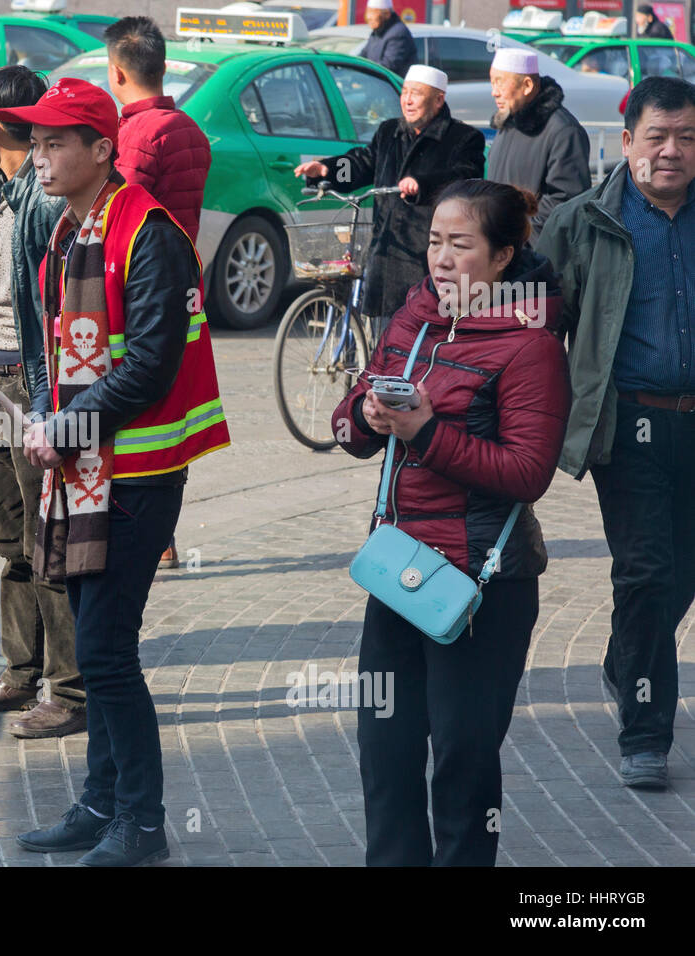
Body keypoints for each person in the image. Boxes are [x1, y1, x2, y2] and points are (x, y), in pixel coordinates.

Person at [0, 78, 230, 866]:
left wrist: (67, 423)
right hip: (87, 470)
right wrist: (42, 406)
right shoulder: (71, 230)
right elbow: (54, 349)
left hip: (137, 476)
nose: (40, 155)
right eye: (34, 142)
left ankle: (144, 823)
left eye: (56, 141)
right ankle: (102, 804)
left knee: (104, 654)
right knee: (98, 648)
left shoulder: (148, 233)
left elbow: (153, 371)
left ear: (103, 150)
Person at [333, 179, 571, 866]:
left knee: (464, 767)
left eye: (460, 244)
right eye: (435, 241)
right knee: (386, 754)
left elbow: (529, 472)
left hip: (481, 583)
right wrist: (365, 417)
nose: (440, 258)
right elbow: (354, 416)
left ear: (502, 257)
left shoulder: (531, 347)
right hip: (400, 569)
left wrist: (427, 432)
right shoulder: (413, 315)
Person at [535, 76, 695, 791]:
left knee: (676, 574)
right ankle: (645, 730)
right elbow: (538, 326)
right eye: (657, 137)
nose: (672, 152)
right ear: (625, 141)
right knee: (646, 572)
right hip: (628, 423)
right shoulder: (582, 222)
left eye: (687, 138)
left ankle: (626, 657)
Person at [0, 66, 85, 738]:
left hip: (36, 390)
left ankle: (68, 692)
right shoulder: (1, 196)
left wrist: (49, 401)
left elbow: (61, 310)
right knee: (12, 539)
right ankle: (20, 671)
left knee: (48, 541)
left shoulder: (44, 201)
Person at [104, 15, 212, 571]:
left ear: (117, 72)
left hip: (140, 291)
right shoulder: (189, 129)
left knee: (140, 409)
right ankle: (165, 530)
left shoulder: (138, 135)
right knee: (176, 409)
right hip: (185, 281)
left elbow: (122, 213)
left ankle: (151, 530)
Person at [295, 65, 486, 327]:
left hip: (429, 258)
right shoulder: (389, 132)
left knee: (420, 337)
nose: (407, 100)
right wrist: (326, 169)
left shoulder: (464, 138)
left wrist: (422, 185)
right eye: (404, 92)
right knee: (382, 338)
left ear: (438, 99)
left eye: (416, 94)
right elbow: (363, 162)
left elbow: (464, 176)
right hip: (387, 252)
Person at [487, 47, 590, 241]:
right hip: (501, 245)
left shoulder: (563, 130)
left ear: (526, 85)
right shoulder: (509, 123)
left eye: (500, 83)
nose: (494, 92)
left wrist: (518, 235)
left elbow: (566, 202)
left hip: (532, 255)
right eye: (492, 83)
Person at [362, 0, 415, 78]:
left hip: (391, 87)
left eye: (374, 12)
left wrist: (363, 71)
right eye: (368, 11)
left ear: (387, 14)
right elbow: (363, 55)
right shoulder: (377, 31)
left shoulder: (398, 33)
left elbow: (388, 66)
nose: (369, 17)